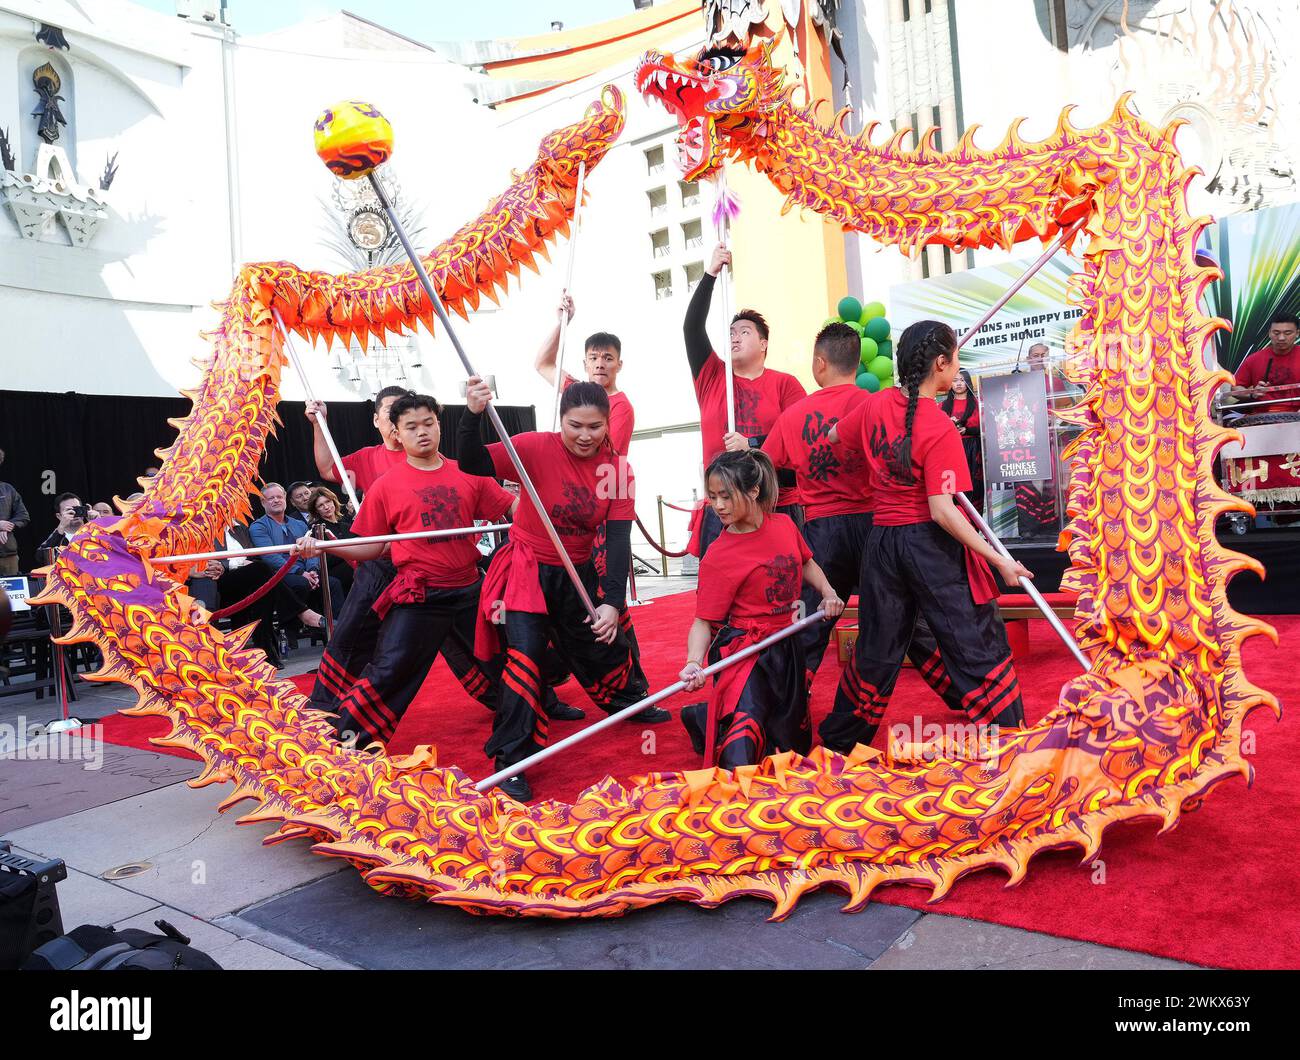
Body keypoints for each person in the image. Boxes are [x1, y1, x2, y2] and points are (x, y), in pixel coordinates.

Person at [819, 320, 1031, 753]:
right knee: (973, 639)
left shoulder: (876, 405)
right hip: (928, 548)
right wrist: (1001, 560)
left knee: (876, 650)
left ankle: (837, 744)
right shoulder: (939, 428)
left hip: (882, 546)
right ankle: (1010, 740)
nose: (957, 366)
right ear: (940, 363)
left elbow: (834, 435)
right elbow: (942, 512)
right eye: (955, 358)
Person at [459, 377, 669, 802]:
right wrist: (472, 415)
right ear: (561, 421)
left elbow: (617, 537)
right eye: (576, 425)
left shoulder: (618, 470)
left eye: (595, 426)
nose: (586, 436)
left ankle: (626, 701)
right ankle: (511, 761)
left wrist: (612, 602)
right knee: (526, 660)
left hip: (577, 571)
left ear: (608, 424)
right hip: (527, 570)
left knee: (600, 643)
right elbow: (472, 464)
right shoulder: (535, 447)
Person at [302, 389, 547, 723]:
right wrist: (325, 546)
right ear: (392, 428)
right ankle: (339, 726)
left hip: (465, 584)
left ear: (439, 425)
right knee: (376, 653)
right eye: (410, 425)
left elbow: (514, 509)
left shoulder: (468, 473)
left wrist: (549, 508)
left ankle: (527, 706)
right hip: (412, 585)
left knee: (498, 651)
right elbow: (368, 542)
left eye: (428, 423)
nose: (421, 431)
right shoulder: (378, 474)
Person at [763, 323, 969, 709]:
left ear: (818, 363)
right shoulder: (878, 403)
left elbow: (765, 470)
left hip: (822, 533)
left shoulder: (793, 416)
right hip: (878, 527)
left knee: (810, 621)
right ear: (857, 364)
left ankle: (786, 704)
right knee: (903, 617)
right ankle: (959, 692)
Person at [679, 450, 842, 768]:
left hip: (787, 642)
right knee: (740, 760)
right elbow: (703, 621)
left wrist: (828, 591)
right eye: (713, 497)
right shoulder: (718, 555)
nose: (719, 506)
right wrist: (693, 662)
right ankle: (709, 716)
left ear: (753, 490)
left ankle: (701, 715)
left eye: (726, 496)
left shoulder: (783, 525)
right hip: (745, 651)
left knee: (792, 750)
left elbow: (805, 561)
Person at [683, 243, 807, 557]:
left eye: (745, 332)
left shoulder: (785, 384)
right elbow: (691, 327)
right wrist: (710, 273)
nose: (735, 336)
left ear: (764, 343)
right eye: (731, 332)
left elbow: (798, 443)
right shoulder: (712, 376)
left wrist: (752, 444)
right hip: (721, 503)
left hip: (770, 503)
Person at [534, 294, 634, 453]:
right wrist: (562, 324)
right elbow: (543, 364)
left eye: (608, 358)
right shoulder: (576, 391)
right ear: (585, 364)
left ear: (619, 365)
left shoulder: (621, 406)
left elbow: (610, 456)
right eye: (593, 358)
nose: (600, 365)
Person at [248, 483, 341, 627]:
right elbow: (270, 557)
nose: (276, 500)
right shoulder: (258, 526)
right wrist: (300, 572)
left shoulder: (300, 524)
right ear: (263, 502)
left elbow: (311, 551)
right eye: (271, 498)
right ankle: (298, 627)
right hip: (280, 574)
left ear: (285, 498)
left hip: (305, 571)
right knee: (301, 584)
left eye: (279, 497)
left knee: (333, 583)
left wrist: (313, 571)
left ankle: (339, 628)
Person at [1229, 312, 1300, 418]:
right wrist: (1252, 393)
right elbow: (1235, 388)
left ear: (1297, 333)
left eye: (1287, 333)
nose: (1281, 338)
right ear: (1269, 333)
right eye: (1276, 333)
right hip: (1261, 416)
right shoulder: (1254, 359)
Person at [939, 368, 984, 512]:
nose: (958, 384)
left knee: (974, 487)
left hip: (973, 450)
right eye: (955, 380)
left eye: (962, 380)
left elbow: (986, 427)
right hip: (950, 451)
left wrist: (967, 430)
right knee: (953, 488)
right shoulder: (941, 406)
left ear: (968, 382)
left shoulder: (978, 404)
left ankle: (975, 526)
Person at [0, 449, 30, 576]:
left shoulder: (7, 489)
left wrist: (7, 526)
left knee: (11, 594)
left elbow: (23, 516)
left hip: (8, 555)